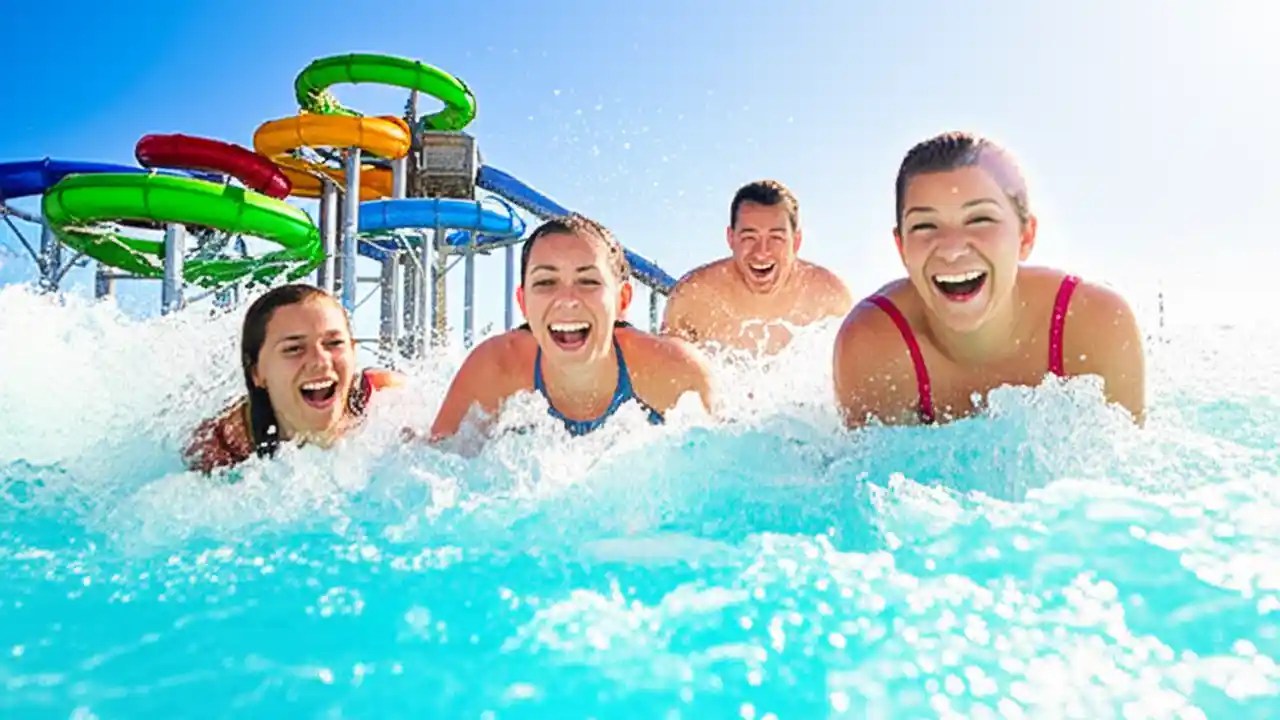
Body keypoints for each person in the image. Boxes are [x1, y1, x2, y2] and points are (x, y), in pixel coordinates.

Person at [832, 130, 1146, 427]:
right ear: (902, 247)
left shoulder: (1094, 325)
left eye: (980, 219)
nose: (952, 250)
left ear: (1025, 236)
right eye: (925, 225)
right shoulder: (875, 347)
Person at [429, 213, 715, 441]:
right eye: (546, 282)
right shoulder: (494, 370)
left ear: (622, 300)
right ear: (523, 302)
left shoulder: (675, 374)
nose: (567, 300)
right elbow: (433, 463)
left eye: (588, 281)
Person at [184, 284, 405, 473]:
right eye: (294, 348)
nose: (320, 361)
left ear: (353, 351)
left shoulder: (384, 398)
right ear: (256, 372)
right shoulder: (224, 444)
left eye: (334, 343)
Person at [661, 179, 853, 356]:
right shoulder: (692, 298)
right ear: (731, 238)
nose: (761, 252)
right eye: (749, 237)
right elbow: (666, 373)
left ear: (796, 241)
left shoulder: (830, 299)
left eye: (776, 238)